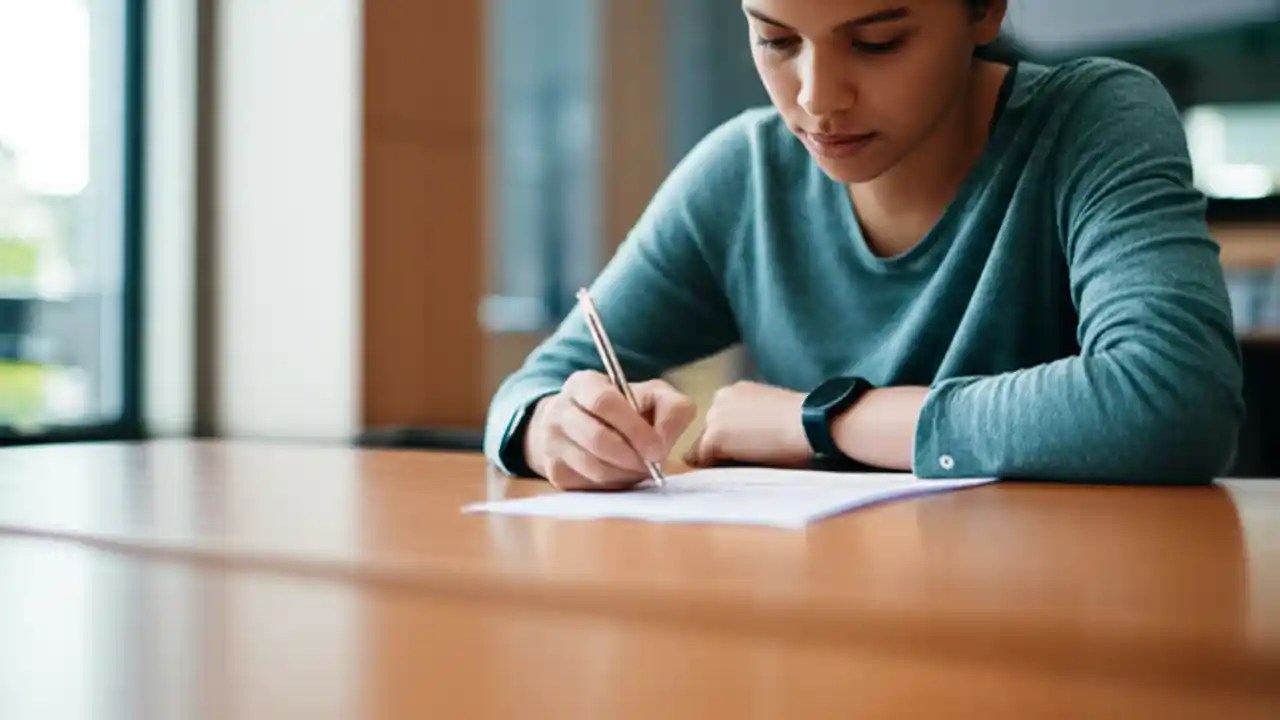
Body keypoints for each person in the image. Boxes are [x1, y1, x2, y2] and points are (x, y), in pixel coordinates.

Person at [484, 0, 1244, 491]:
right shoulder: (743, 175)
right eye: (776, 39)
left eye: (878, 42)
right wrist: (554, 427)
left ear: (984, 9)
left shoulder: (1091, 122)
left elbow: (1174, 404)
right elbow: (530, 389)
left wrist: (816, 421)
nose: (818, 98)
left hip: (1058, 624)